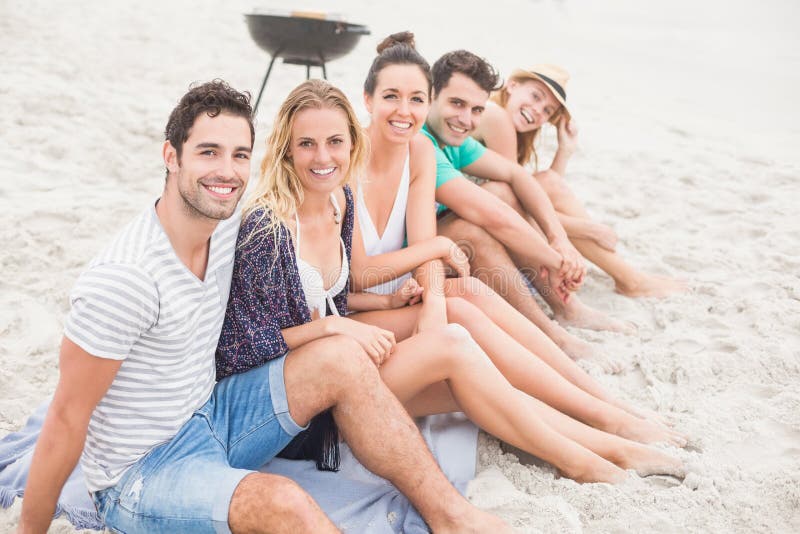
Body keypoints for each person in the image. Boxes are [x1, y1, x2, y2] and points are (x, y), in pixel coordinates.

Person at [17, 80, 506, 534]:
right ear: (171, 155)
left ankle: (451, 515)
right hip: (142, 471)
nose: (226, 172)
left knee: (342, 357)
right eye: (208, 152)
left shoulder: (228, 226)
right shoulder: (126, 279)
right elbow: (64, 421)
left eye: (239, 155)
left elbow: (305, 239)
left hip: (214, 413)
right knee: (283, 501)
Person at [216, 76, 686, 487]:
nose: (323, 157)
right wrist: (336, 328)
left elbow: (331, 297)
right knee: (455, 345)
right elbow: (241, 349)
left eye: (335, 142)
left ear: (351, 144)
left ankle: (608, 436)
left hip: (345, 360)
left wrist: (385, 302)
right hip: (307, 409)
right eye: (307, 144)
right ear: (285, 148)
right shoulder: (267, 230)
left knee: (480, 383)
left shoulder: (339, 199)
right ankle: (591, 457)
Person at [348, 33, 685, 443]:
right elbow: (370, 268)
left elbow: (512, 183)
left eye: (415, 99)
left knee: (473, 282)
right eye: (392, 98)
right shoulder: (354, 156)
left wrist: (560, 242)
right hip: (368, 305)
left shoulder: (418, 148)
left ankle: (609, 408)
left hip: (405, 285)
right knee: (473, 256)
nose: (405, 111)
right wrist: (559, 255)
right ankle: (595, 406)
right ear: (367, 100)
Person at [424, 50, 636, 338]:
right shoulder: (427, 142)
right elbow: (493, 215)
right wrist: (559, 259)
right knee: (474, 225)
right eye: (457, 103)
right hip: (410, 258)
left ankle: (575, 305)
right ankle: (552, 329)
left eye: (476, 109)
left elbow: (518, 176)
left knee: (514, 191)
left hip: (457, 237)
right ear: (431, 94)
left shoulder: (457, 140)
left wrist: (559, 239)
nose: (467, 118)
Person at [472, 64, 686, 297]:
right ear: (512, 86)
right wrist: (589, 230)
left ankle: (630, 278)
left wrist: (565, 150)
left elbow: (540, 196)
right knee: (541, 188)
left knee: (547, 182)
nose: (537, 110)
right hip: (472, 221)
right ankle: (630, 280)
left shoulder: (503, 124)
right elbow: (515, 207)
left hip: (484, 216)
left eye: (547, 111)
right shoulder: (496, 117)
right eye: (535, 96)